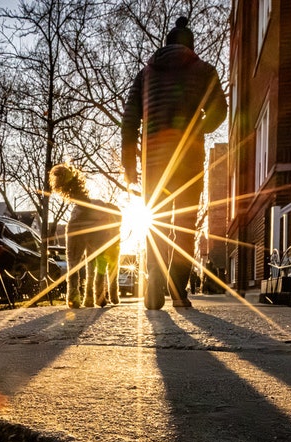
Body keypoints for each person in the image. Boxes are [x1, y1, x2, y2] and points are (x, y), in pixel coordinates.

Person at [121, 16, 227, 309]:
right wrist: (198, 128)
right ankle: (178, 290)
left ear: (165, 45)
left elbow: (129, 121)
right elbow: (220, 110)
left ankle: (154, 279)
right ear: (190, 47)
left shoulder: (145, 74)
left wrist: (129, 167)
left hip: (153, 162)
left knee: (154, 222)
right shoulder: (204, 71)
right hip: (188, 160)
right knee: (184, 225)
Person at [48, 163, 121, 308]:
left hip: (76, 222)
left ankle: (73, 297)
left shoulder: (81, 208)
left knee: (73, 264)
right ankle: (96, 296)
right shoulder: (106, 212)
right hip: (95, 224)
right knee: (98, 262)